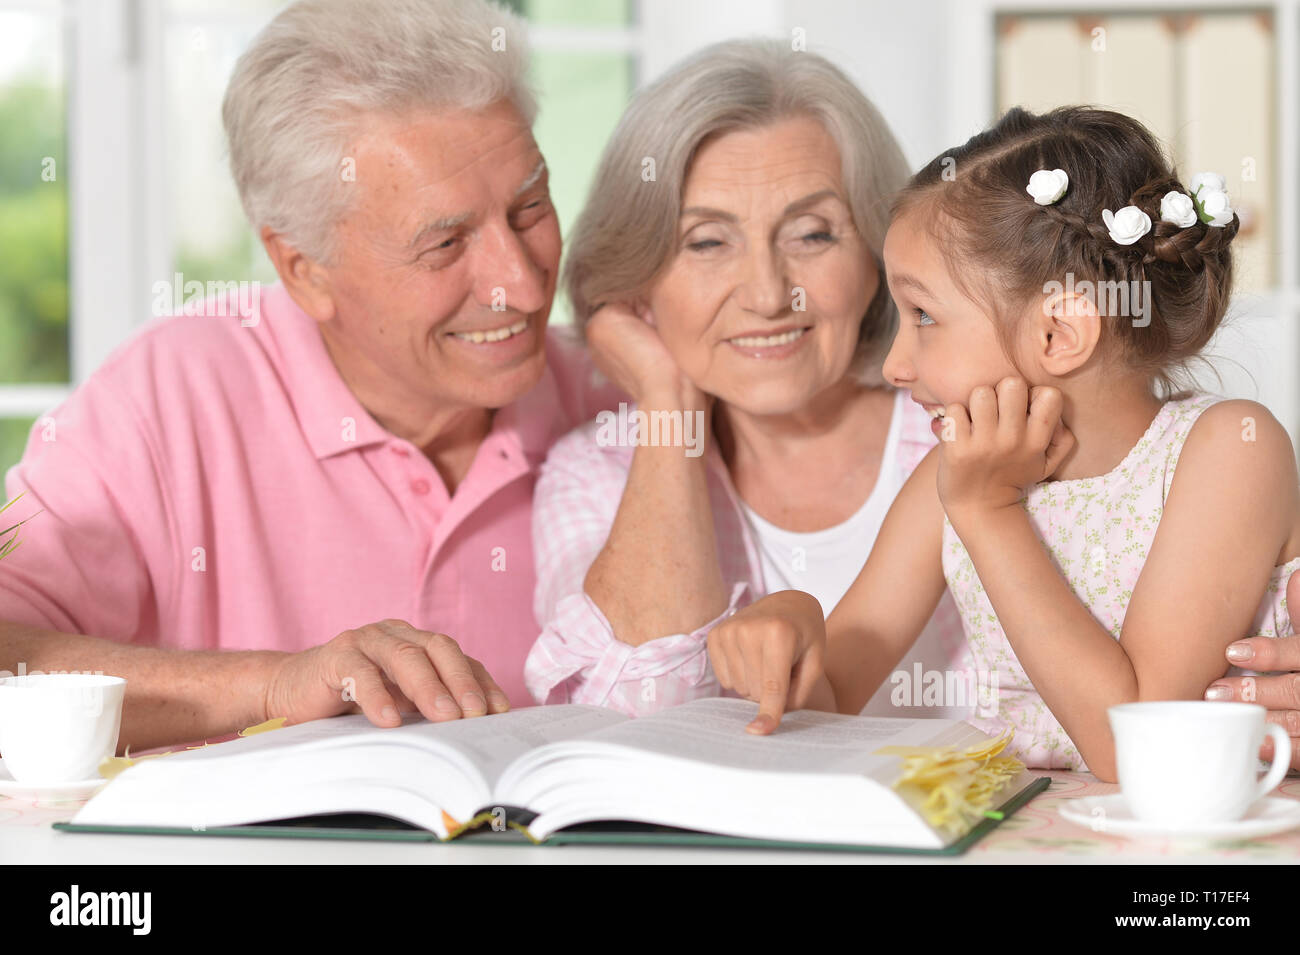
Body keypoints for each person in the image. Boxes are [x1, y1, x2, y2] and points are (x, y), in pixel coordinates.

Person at [0, 0, 619, 752]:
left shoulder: (621, 398)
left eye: (529, 208)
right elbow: (7, 656)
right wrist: (276, 686)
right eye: (446, 243)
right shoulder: (165, 399)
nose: (522, 287)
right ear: (305, 271)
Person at [708, 105, 1300, 783]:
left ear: (1058, 334)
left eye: (924, 315)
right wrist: (791, 639)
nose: (896, 365)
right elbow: (832, 700)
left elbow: (1135, 745)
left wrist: (991, 514)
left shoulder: (1227, 451)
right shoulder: (951, 478)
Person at [524, 39, 972, 720]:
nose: (767, 295)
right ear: (637, 280)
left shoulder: (972, 434)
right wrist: (666, 397)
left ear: (879, 256)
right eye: (707, 242)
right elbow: (634, 715)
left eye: (812, 235)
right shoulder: (595, 472)